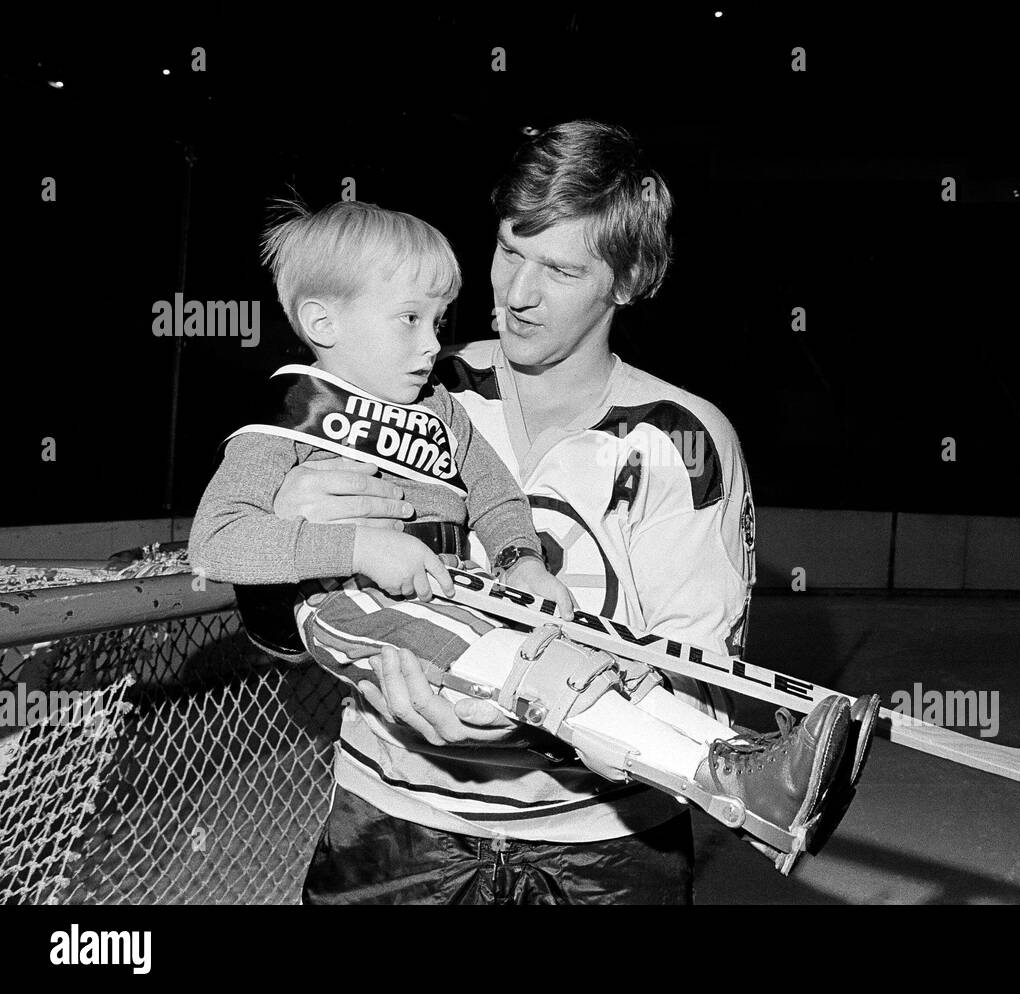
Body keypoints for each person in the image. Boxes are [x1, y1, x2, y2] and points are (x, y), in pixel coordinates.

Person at [189, 196, 860, 900]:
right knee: (542, 670)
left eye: (560, 269)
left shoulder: (681, 439)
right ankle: (721, 775)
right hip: (395, 821)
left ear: (626, 282)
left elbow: (693, 662)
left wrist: (521, 562)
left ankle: (742, 775)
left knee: (592, 676)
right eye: (510, 251)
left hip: (602, 842)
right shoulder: (328, 406)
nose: (515, 294)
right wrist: (329, 540)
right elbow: (248, 577)